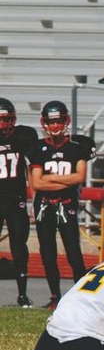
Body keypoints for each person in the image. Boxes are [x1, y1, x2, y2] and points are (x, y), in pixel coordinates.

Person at [27, 101, 94, 311]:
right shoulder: (37, 147)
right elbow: (36, 183)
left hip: (67, 205)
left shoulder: (78, 146)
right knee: (48, 253)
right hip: (44, 206)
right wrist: (66, 178)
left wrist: (52, 178)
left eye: (58, 121)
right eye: (50, 122)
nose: (55, 126)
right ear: (44, 122)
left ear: (66, 120)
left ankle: (81, 296)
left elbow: (79, 177)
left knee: (74, 252)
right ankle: (55, 296)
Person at [0, 98, 38, 308]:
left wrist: (33, 199)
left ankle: (22, 294)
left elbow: (31, 168)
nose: (4, 125)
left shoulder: (24, 136)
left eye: (7, 120)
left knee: (18, 245)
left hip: (16, 198)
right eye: (0, 120)